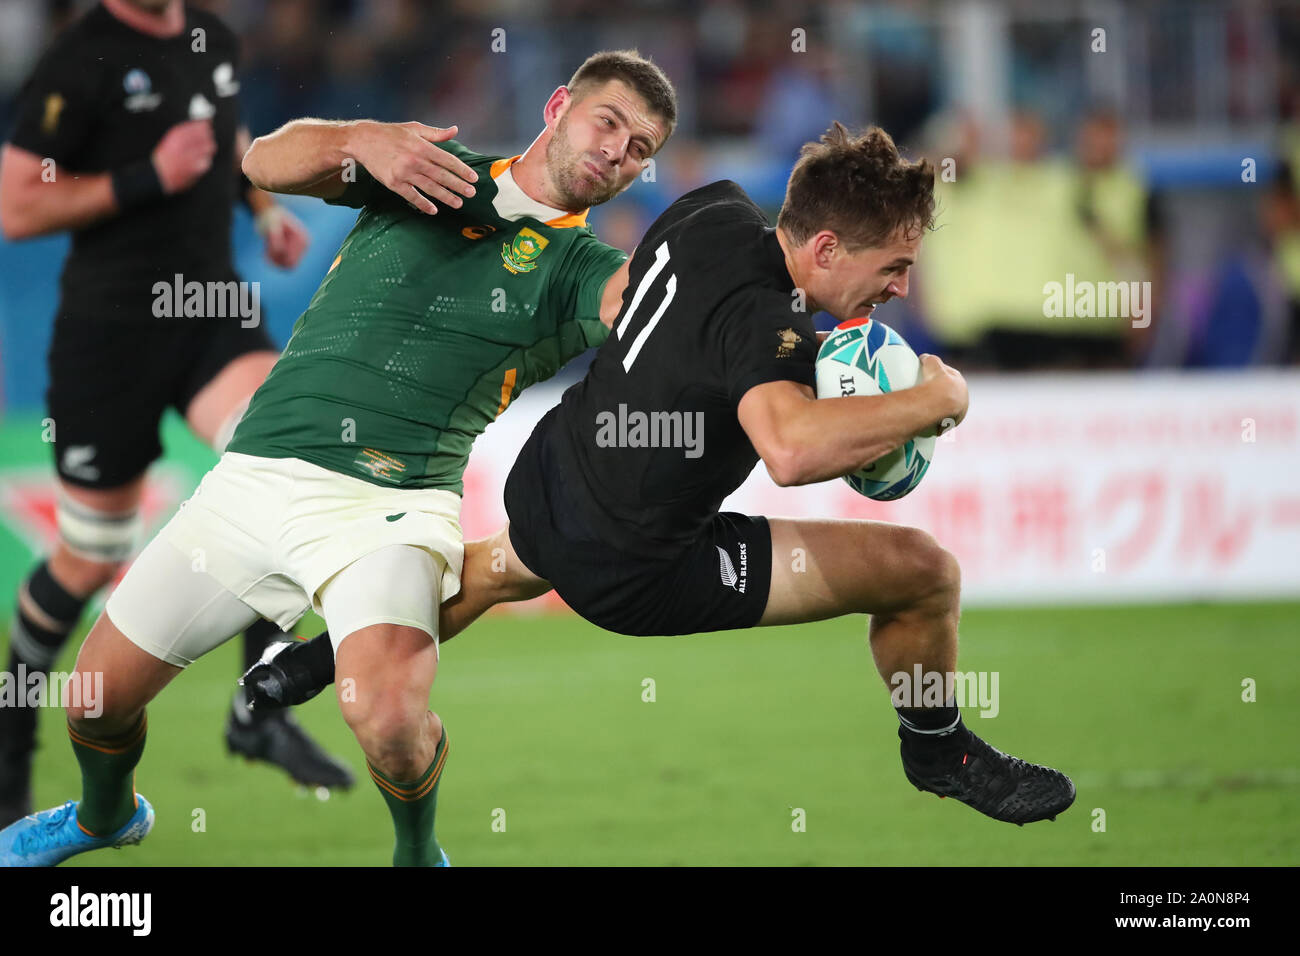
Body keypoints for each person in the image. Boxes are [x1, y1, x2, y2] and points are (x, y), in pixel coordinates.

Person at [248, 123, 1077, 835]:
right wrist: (935, 399)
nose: (899, 288)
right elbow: (789, 453)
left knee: (498, 567)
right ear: (824, 248)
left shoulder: (710, 208)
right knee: (923, 574)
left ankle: (318, 662)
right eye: (893, 267)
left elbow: (680, 320)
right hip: (641, 565)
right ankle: (939, 748)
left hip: (559, 470)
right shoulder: (769, 325)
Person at [0, 48, 678, 867]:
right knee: (94, 701)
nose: (618, 151)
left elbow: (656, 303)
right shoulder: (429, 169)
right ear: (559, 105)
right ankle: (104, 819)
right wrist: (361, 137)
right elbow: (261, 159)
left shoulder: (586, 269)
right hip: (252, 479)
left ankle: (417, 853)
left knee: (388, 719)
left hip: (391, 507)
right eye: (609, 123)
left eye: (641, 149)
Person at [0, 0, 347, 830]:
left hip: (208, 311)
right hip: (109, 334)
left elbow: (218, 139)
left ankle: (255, 709)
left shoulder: (210, 37)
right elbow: (17, 208)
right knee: (88, 558)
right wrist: (147, 174)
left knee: (284, 453)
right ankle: (10, 752)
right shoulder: (79, 60)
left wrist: (262, 209)